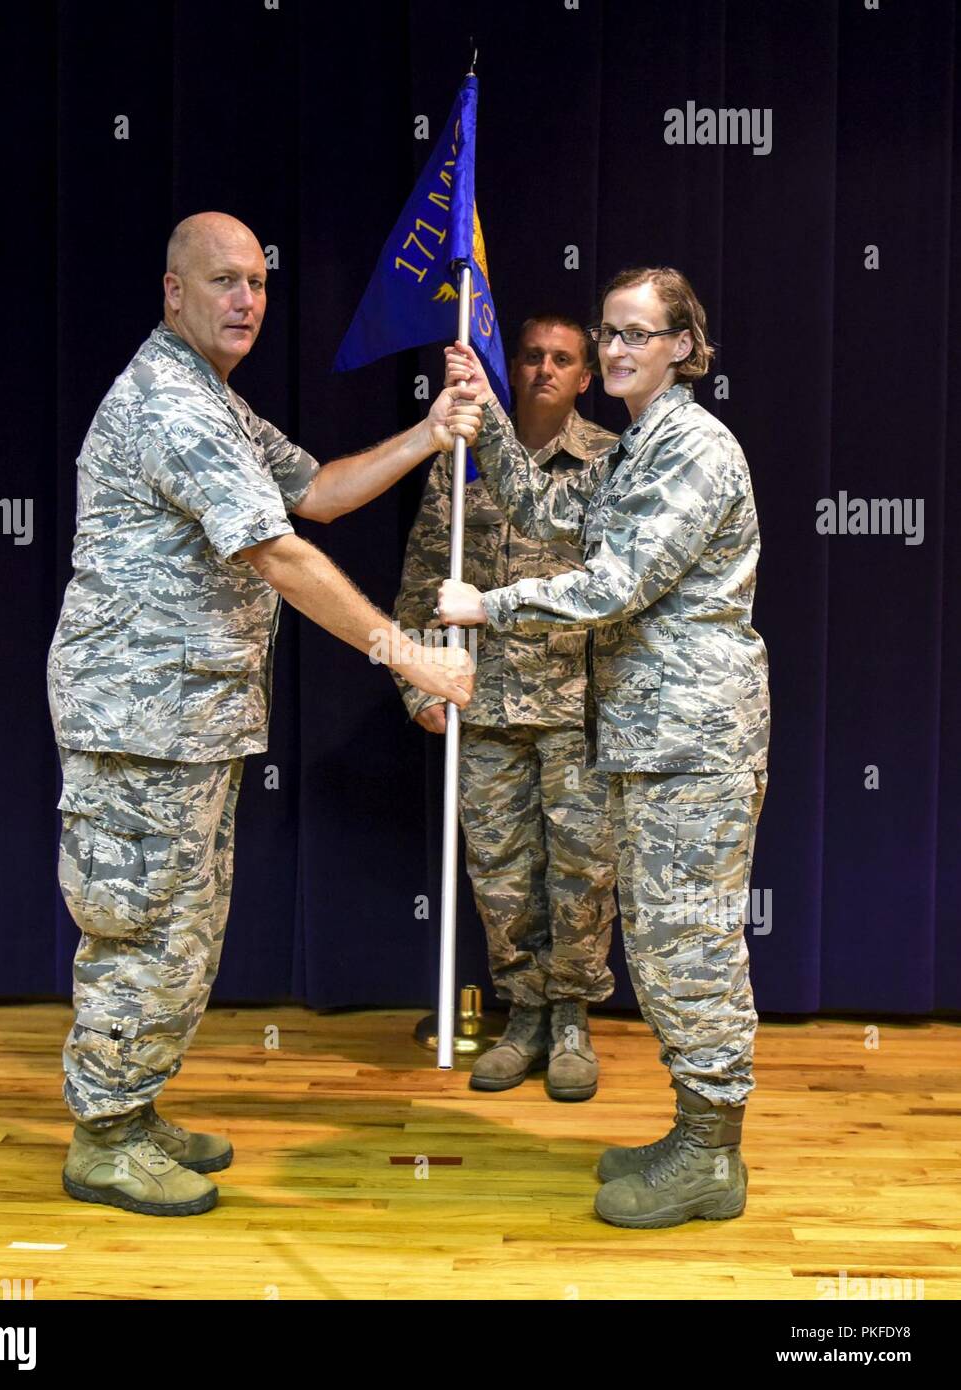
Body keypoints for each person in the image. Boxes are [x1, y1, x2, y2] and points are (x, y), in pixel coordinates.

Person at [48, 212, 479, 1216]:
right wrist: (404, 651)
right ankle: (101, 1136)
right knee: (139, 925)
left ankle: (132, 1104)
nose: (246, 300)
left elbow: (316, 494)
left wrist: (428, 430)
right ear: (172, 292)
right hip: (140, 720)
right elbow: (275, 553)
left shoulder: (218, 403)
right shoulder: (170, 403)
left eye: (257, 283)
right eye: (223, 281)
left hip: (188, 719)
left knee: (183, 929)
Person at [439, 266, 769, 1228]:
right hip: (649, 738)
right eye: (609, 332)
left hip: (692, 740)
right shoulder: (639, 447)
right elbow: (553, 517)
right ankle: (694, 1132)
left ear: (683, 348)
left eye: (638, 333)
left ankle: (713, 1157)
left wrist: (486, 605)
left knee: (690, 944)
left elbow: (615, 582)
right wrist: (487, 416)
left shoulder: (695, 448)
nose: (617, 348)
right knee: (666, 946)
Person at [393, 316, 619, 1100]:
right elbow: (425, 579)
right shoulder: (460, 464)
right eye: (532, 357)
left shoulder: (611, 466)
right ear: (510, 367)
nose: (546, 370)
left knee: (582, 875)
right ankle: (522, 1014)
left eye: (564, 360)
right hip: (483, 708)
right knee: (502, 876)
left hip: (579, 712)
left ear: (587, 376)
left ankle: (571, 1021)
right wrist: (417, 682)